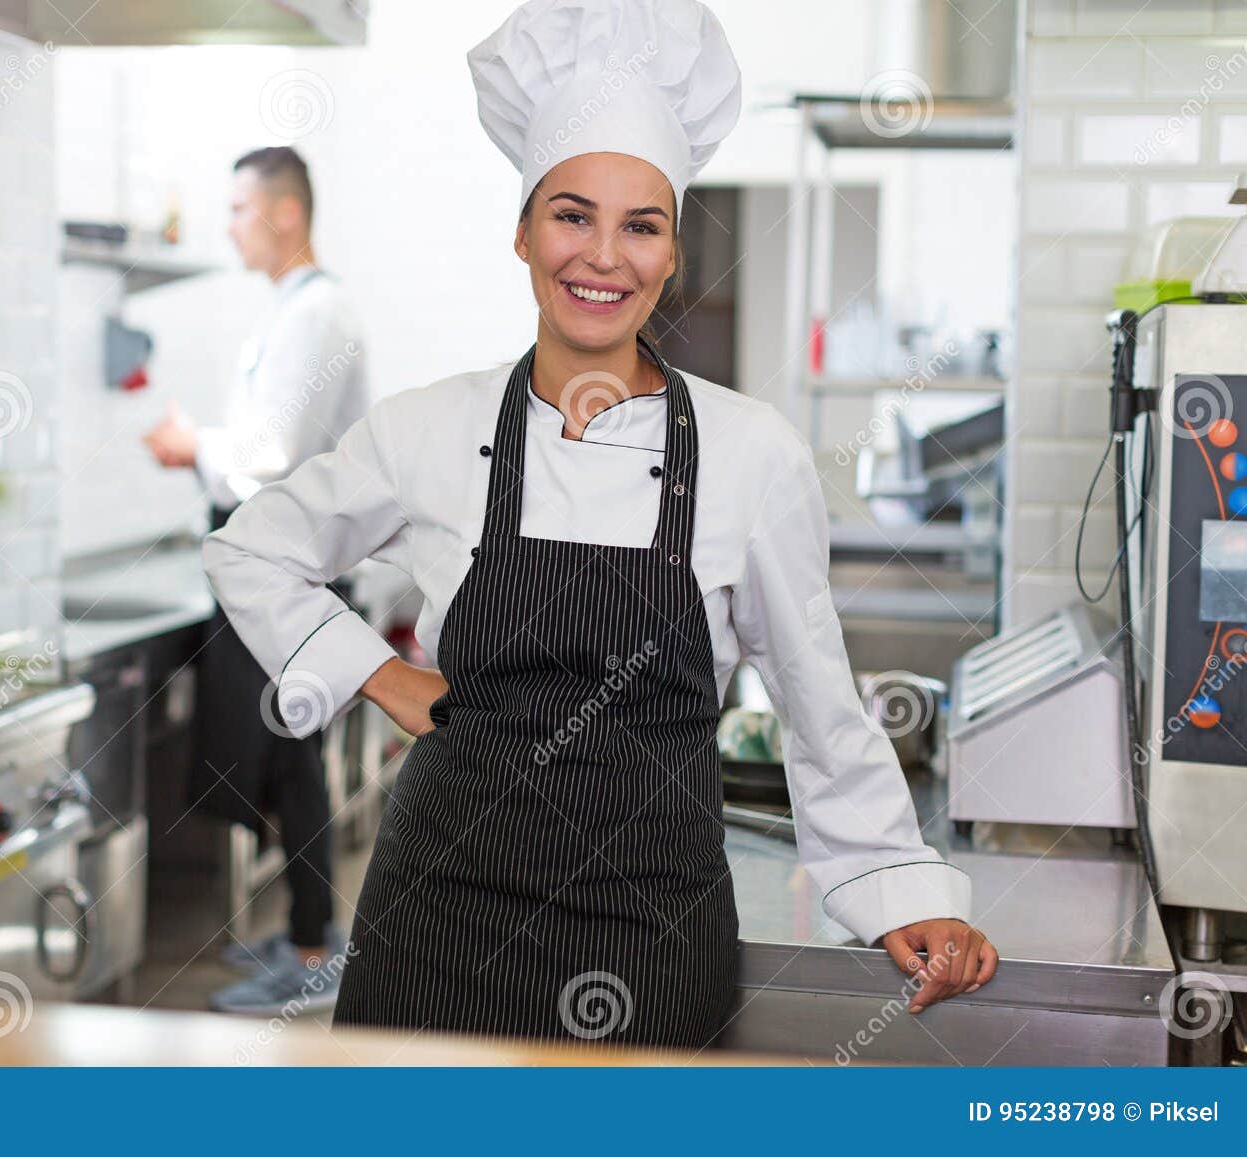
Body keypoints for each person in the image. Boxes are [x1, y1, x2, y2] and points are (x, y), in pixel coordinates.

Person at [201, 0, 997, 1049]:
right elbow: (253, 546)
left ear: (671, 253)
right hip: (437, 913)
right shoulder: (430, 427)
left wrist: (899, 882)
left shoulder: (750, 452)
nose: (603, 256)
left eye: (641, 225)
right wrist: (381, 676)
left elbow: (819, 701)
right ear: (523, 231)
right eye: (572, 215)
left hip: (649, 924)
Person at [145, 145, 367, 1015]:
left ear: (285, 212)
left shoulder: (317, 314)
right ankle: (307, 934)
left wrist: (190, 444)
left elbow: (271, 452)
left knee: (290, 757)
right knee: (279, 756)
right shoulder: (291, 311)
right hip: (273, 573)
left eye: (239, 209)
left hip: (292, 576)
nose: (230, 225)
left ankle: (313, 949)